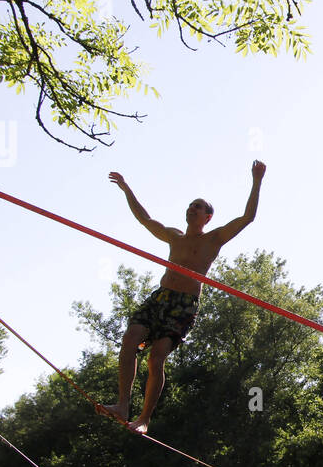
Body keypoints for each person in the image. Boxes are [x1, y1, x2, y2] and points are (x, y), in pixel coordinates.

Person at [99, 161, 266, 433]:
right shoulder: (174, 236)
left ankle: (144, 419)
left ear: (208, 217)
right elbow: (145, 219)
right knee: (130, 340)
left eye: (198, 206)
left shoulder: (214, 238)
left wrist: (256, 180)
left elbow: (247, 218)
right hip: (161, 298)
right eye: (190, 204)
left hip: (183, 306)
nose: (192, 208)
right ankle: (122, 404)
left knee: (156, 358)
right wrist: (126, 188)